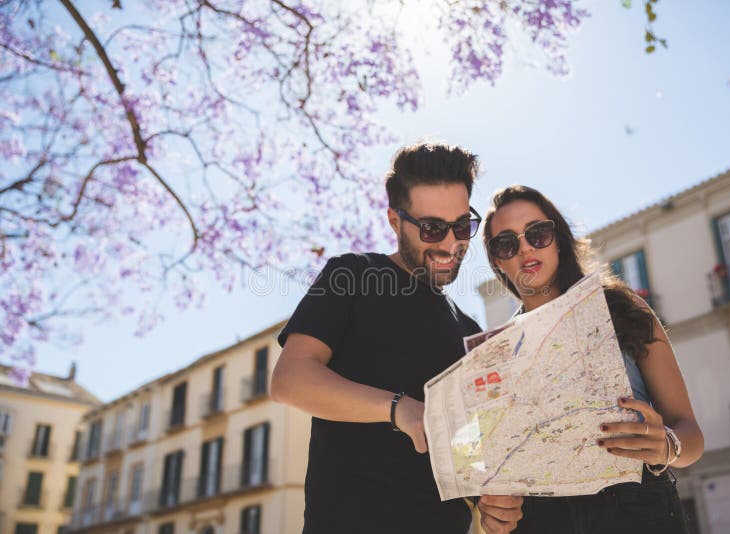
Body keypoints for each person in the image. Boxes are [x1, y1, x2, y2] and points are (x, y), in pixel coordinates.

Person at [271, 143, 523, 534]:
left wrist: (490, 503)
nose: (450, 243)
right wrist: (399, 408)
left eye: (461, 226)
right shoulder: (349, 274)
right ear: (394, 220)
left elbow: (470, 454)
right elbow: (289, 381)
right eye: (432, 228)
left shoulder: (472, 332)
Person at [482, 185, 704, 534]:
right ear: (498, 260)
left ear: (559, 237)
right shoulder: (495, 353)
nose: (525, 248)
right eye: (507, 243)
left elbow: (691, 436)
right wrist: (495, 505)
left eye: (537, 233)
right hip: (541, 518)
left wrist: (669, 445)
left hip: (636, 508)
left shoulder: (623, 309)